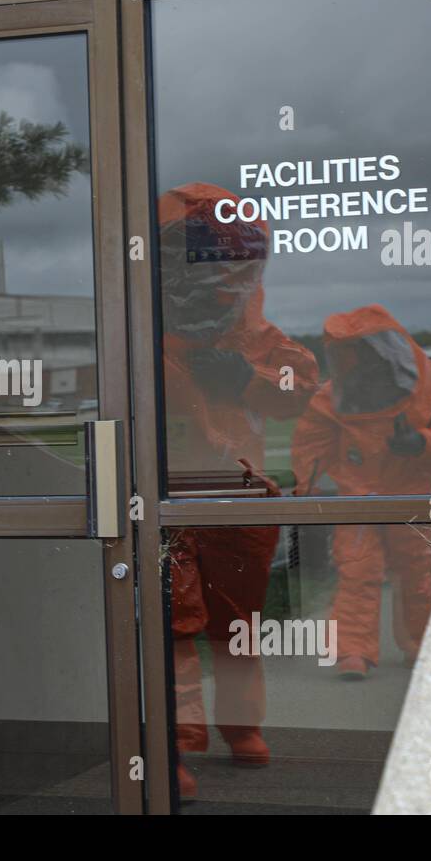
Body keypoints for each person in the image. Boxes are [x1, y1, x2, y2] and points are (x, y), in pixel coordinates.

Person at [158, 183, 319, 793]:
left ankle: (239, 725)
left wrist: (247, 377)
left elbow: (299, 387)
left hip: (239, 496)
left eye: (227, 260)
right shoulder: (144, 334)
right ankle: (174, 744)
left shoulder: (257, 340)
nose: (216, 274)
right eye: (202, 256)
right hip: (168, 495)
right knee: (173, 624)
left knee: (238, 625)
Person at [291, 304, 431, 679]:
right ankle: (353, 652)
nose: (366, 359)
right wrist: (306, 489)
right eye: (356, 352)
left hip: (411, 492)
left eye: (370, 349)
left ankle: (421, 645)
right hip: (359, 498)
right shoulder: (335, 396)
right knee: (358, 571)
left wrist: (424, 441)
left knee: (416, 574)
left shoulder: (426, 384)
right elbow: (310, 442)